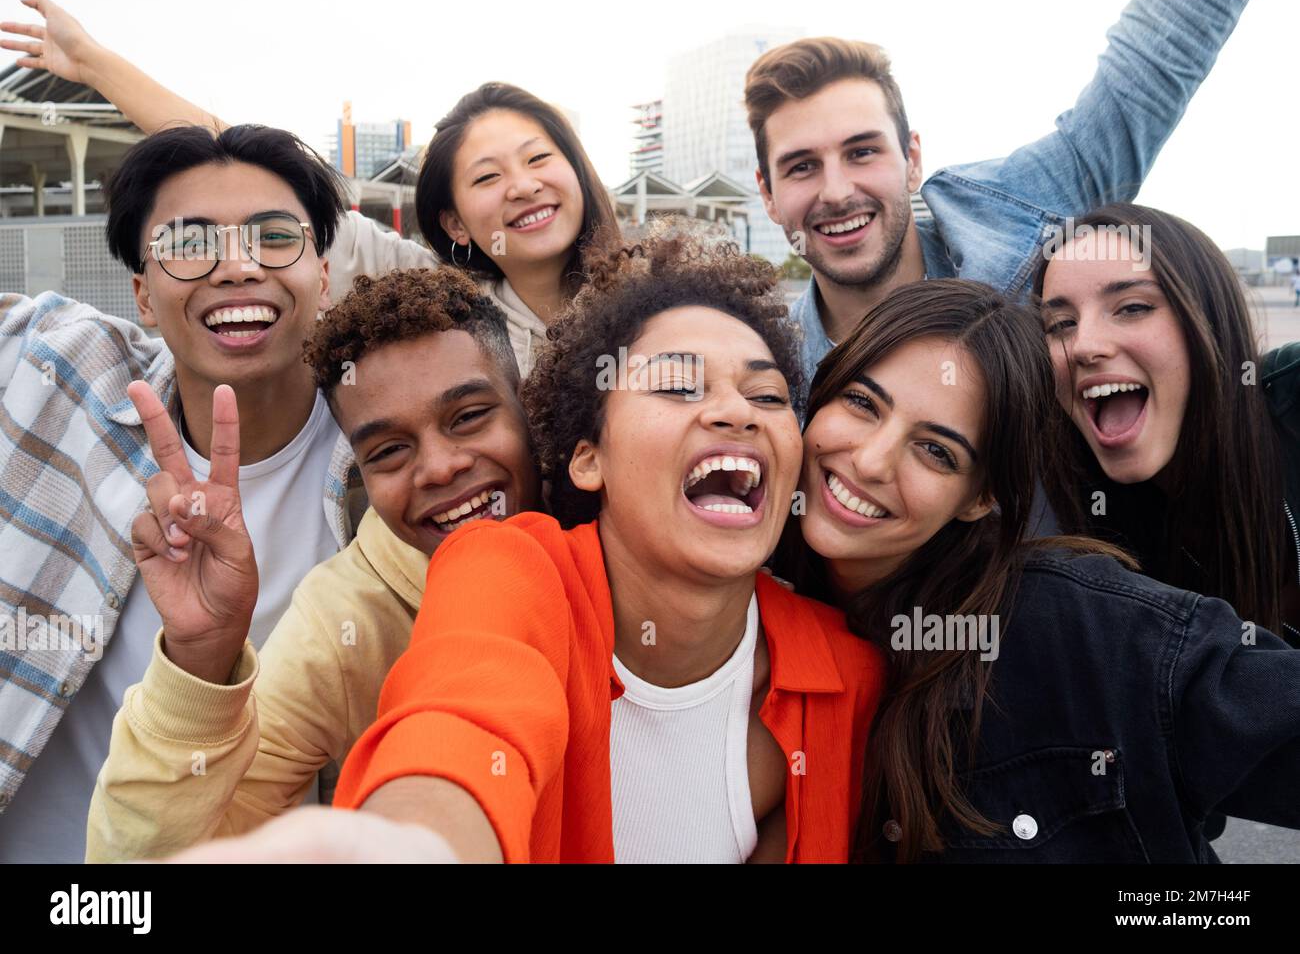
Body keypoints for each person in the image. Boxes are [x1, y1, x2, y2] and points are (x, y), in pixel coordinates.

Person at [148, 226, 888, 863]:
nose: (734, 410)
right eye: (677, 387)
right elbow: (465, 713)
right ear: (586, 455)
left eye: (765, 395)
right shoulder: (498, 567)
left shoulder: (846, 673)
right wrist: (413, 842)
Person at [774, 277, 1300, 863]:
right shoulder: (735, 590)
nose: (870, 462)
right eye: (863, 403)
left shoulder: (1081, 630)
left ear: (980, 498)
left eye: (936, 451)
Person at [742, 0, 1296, 401]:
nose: (837, 191)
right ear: (767, 194)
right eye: (801, 167)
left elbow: (1155, 55)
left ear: (912, 159)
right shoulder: (769, 382)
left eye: (862, 151)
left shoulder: (1027, 208)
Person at [84, 267, 543, 861]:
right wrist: (200, 658)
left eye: (469, 417)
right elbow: (143, 863)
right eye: (389, 451)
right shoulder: (344, 621)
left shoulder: (622, 523)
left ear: (527, 405)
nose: (439, 467)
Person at [0, 123, 367, 862]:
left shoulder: (383, 470)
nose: (236, 267)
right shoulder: (61, 367)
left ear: (324, 277)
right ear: (141, 292)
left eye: (273, 237)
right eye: (188, 243)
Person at [1, 0, 617, 377]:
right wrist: (93, 65)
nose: (522, 186)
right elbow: (250, 168)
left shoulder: (664, 290)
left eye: (539, 158)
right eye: (487, 176)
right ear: (454, 222)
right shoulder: (439, 294)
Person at [1036, 203, 1299, 648]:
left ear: (1208, 319)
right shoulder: (1086, 527)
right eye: (1060, 324)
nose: (1084, 346)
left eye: (1132, 307)